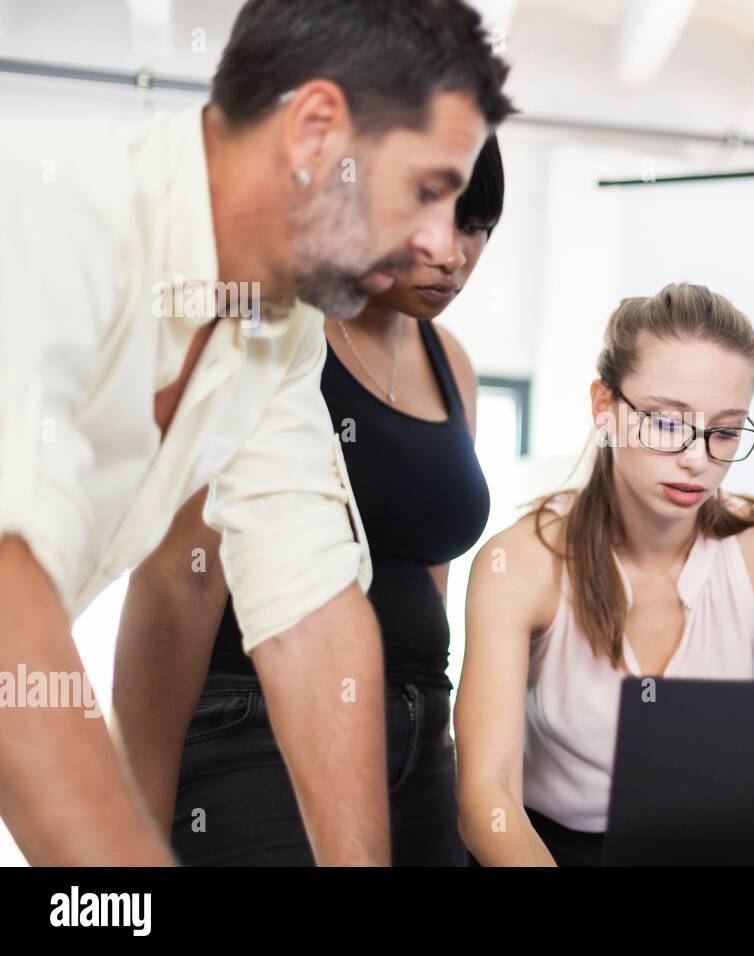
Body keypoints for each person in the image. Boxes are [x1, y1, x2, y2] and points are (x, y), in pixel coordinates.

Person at [0, 0, 511, 865]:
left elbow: (310, 610)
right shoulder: (49, 216)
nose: (441, 244)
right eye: (428, 190)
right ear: (314, 128)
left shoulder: (275, 322)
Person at [112, 136, 505, 866]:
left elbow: (426, 570)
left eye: (477, 225)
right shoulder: (269, 329)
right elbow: (182, 578)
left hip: (419, 734)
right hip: (256, 722)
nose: (455, 255)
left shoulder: (452, 364)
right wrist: (130, 835)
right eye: (433, 220)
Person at [456, 283, 754, 866]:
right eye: (665, 423)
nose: (697, 458)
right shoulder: (521, 564)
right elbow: (488, 797)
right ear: (604, 410)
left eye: (726, 431)